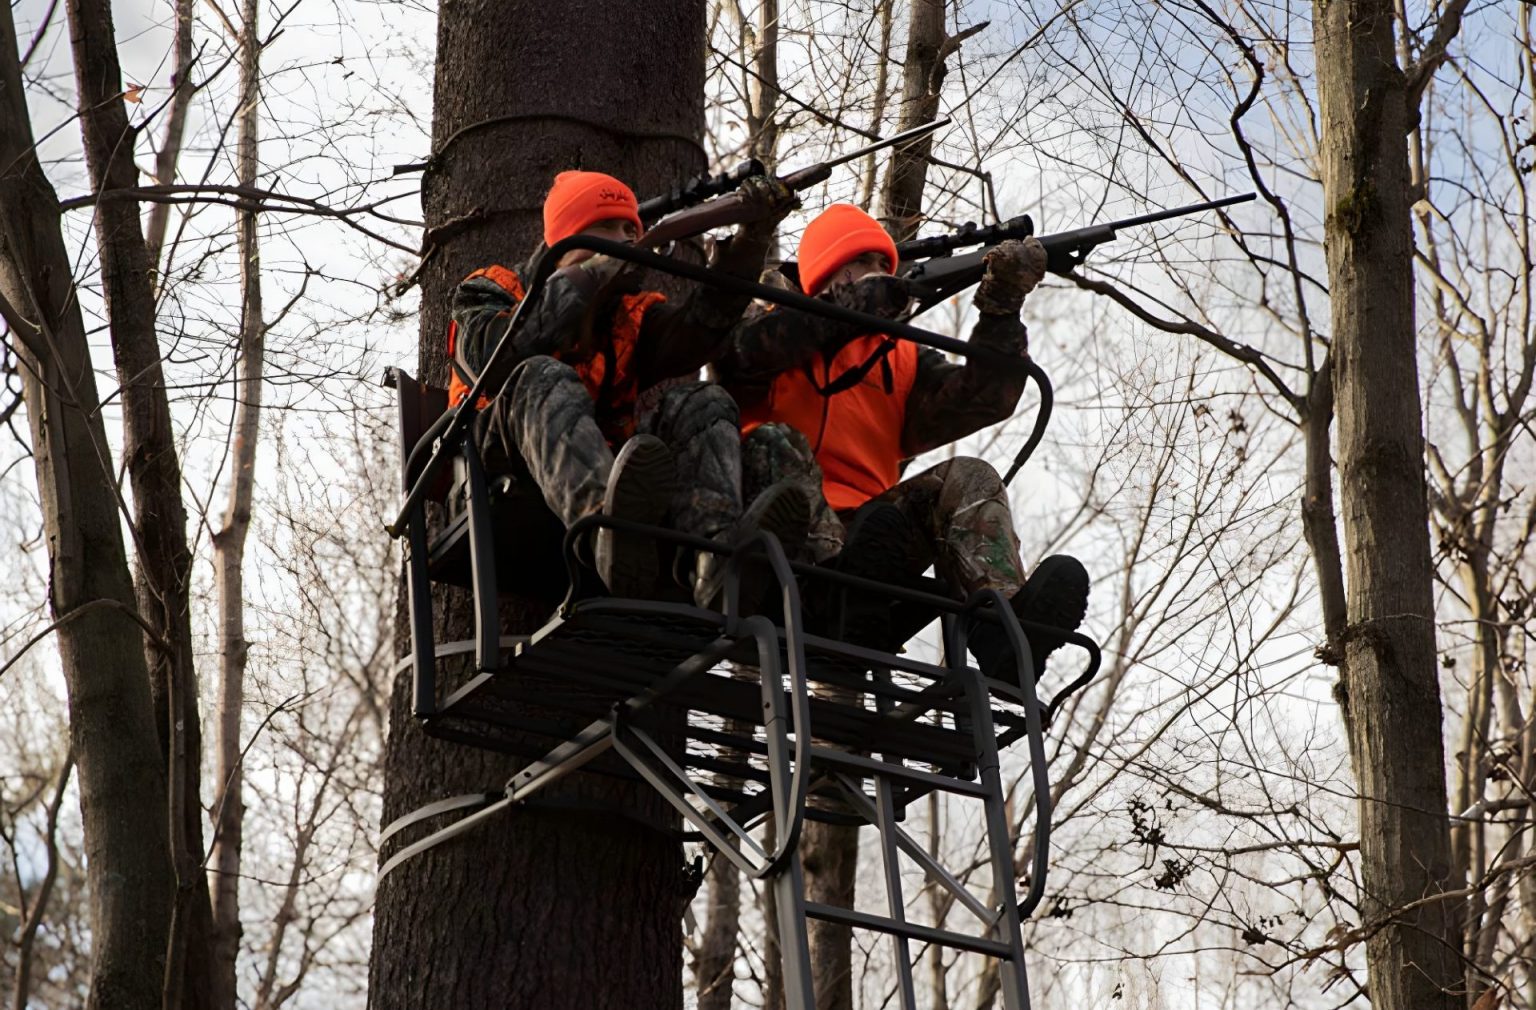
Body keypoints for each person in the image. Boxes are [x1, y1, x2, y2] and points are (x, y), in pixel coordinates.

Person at [714, 203, 1089, 681]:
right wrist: (860, 307)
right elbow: (741, 357)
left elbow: (982, 398)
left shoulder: (901, 356)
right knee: (776, 439)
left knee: (969, 476)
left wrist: (1001, 308)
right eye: (868, 264)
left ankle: (1005, 634)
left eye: (886, 268)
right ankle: (838, 598)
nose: (882, 277)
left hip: (874, 545)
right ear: (834, 270)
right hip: (778, 545)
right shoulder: (768, 321)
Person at [446, 169, 807, 604]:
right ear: (565, 239)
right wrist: (594, 274)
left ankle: (714, 560)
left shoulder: (631, 314)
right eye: (605, 228)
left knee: (704, 400)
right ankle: (605, 534)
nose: (622, 239)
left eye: (629, 231)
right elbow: (492, 359)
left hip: (609, 465)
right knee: (543, 374)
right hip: (495, 460)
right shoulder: (494, 288)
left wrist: (751, 241)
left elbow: (696, 337)